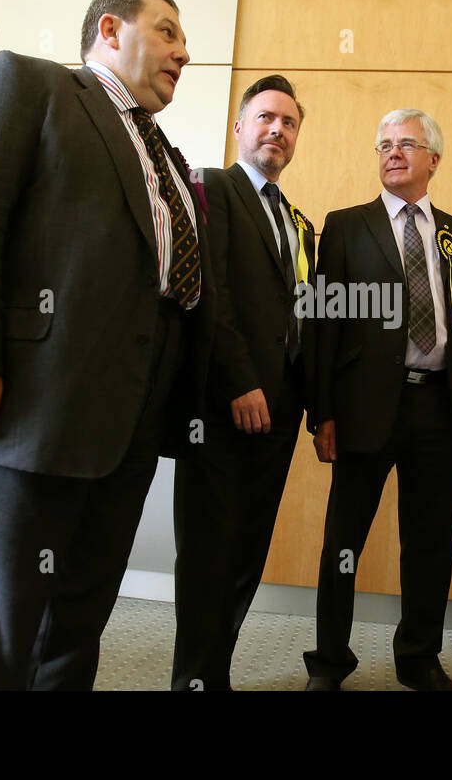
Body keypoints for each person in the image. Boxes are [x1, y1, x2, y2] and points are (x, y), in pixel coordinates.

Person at [0, 0, 213, 690]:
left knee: (75, 626)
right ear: (110, 30)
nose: (184, 52)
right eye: (168, 32)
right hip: (28, 413)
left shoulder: (166, 155)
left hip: (127, 428)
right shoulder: (30, 84)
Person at [302, 109, 452, 691]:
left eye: (407, 144)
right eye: (383, 145)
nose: (393, 153)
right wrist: (320, 412)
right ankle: (329, 661)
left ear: (434, 159)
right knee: (342, 542)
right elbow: (324, 325)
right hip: (363, 408)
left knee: (430, 543)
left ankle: (418, 659)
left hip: (439, 409)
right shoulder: (347, 226)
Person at [171, 75, 314, 691]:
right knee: (208, 554)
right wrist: (239, 381)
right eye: (265, 118)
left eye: (288, 123)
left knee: (247, 554)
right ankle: (194, 681)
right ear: (240, 127)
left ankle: (216, 674)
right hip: (225, 409)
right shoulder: (214, 186)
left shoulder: (298, 221)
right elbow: (210, 293)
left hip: (280, 415)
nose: (276, 130)